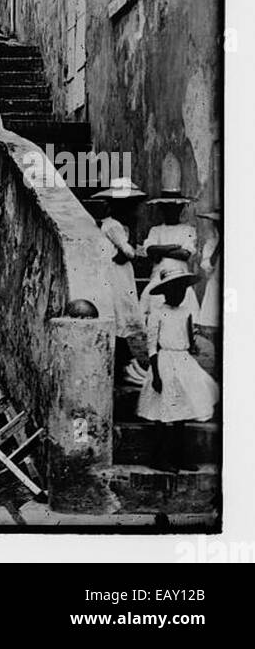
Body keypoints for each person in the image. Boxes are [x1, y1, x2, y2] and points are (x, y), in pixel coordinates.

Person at [137, 262, 219, 472]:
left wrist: (191, 346)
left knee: (182, 410)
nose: (179, 294)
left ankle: (180, 456)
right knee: (163, 412)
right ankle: (159, 457)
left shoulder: (185, 312)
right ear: (165, 292)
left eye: (182, 290)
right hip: (164, 363)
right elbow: (152, 345)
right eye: (174, 290)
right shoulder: (157, 313)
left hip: (183, 362)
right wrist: (156, 374)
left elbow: (187, 336)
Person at [88, 178, 147, 383]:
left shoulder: (120, 226)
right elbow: (127, 252)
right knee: (120, 314)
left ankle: (128, 363)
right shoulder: (113, 226)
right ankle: (125, 363)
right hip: (115, 274)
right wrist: (133, 251)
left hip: (122, 273)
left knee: (123, 313)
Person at [139, 187, 199, 320]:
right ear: (162, 209)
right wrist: (172, 247)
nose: (171, 211)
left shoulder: (188, 229)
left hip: (180, 277)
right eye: (166, 208)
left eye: (174, 208)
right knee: (154, 308)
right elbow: (150, 250)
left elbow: (184, 254)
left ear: (180, 209)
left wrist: (160, 249)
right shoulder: (155, 230)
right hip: (159, 277)